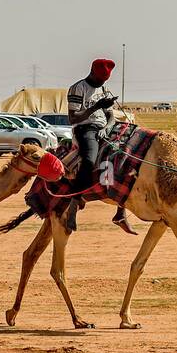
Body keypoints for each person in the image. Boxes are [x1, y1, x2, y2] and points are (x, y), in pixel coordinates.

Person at [65, 58, 135, 234]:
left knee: (130, 157)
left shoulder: (103, 89)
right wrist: (96, 107)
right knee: (89, 160)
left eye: (105, 80)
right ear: (92, 73)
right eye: (101, 79)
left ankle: (120, 212)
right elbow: (73, 118)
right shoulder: (78, 88)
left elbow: (110, 116)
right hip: (85, 128)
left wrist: (107, 126)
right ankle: (74, 202)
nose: (103, 83)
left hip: (105, 128)